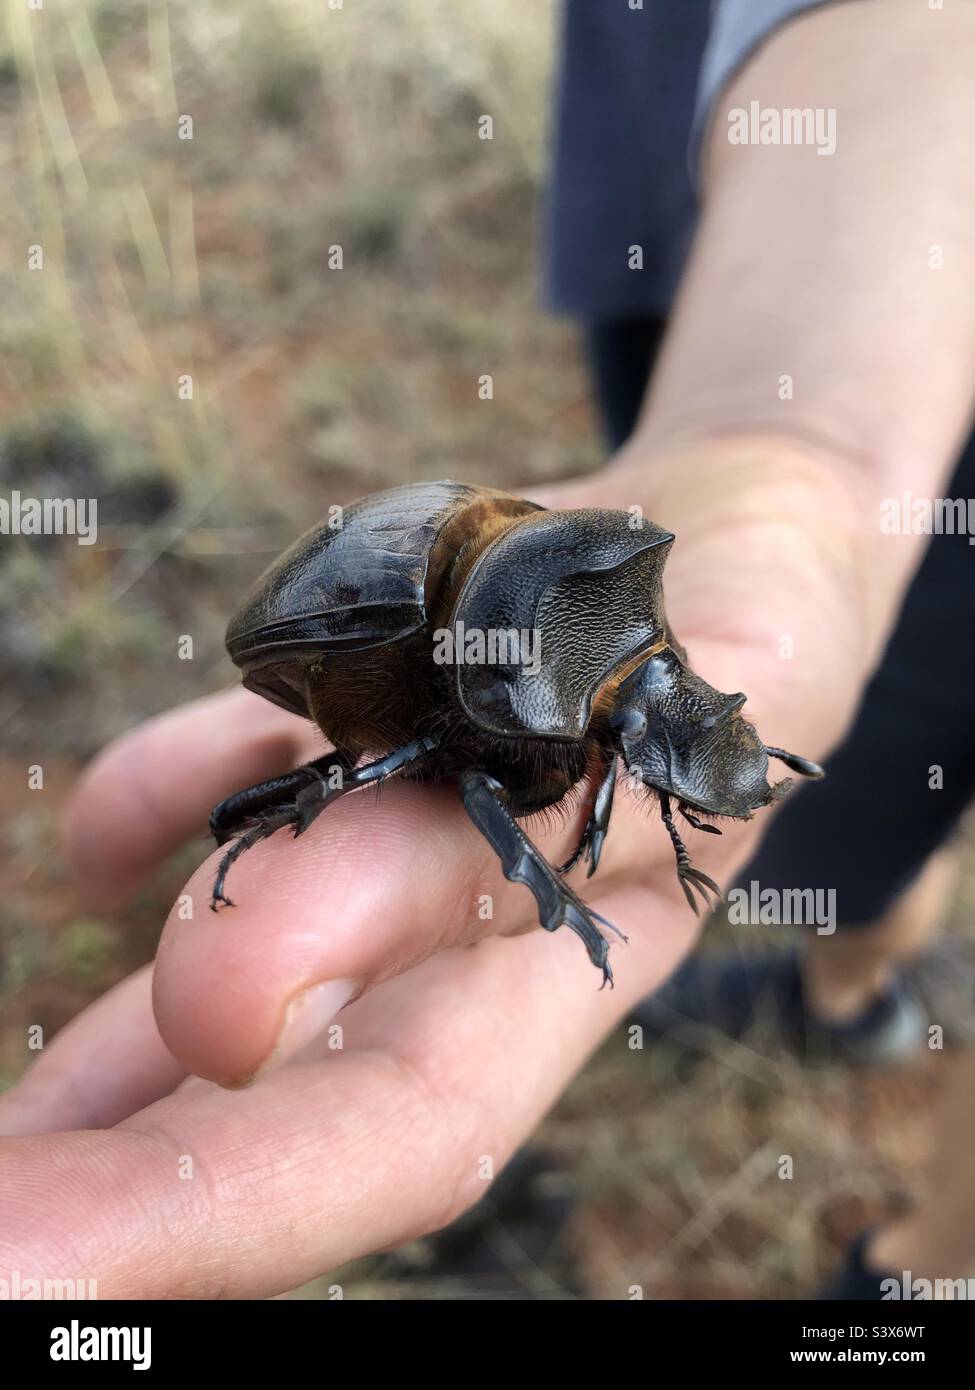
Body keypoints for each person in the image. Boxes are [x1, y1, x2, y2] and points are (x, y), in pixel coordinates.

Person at [2, 0, 974, 1299]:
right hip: (375, 616)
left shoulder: (588, 621)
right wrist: (547, 885)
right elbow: (464, 772)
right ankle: (838, 990)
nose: (641, 700)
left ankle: (849, 1000)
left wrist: (808, 442)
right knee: (389, 777)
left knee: (843, 798)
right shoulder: (479, 687)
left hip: (764, 211)